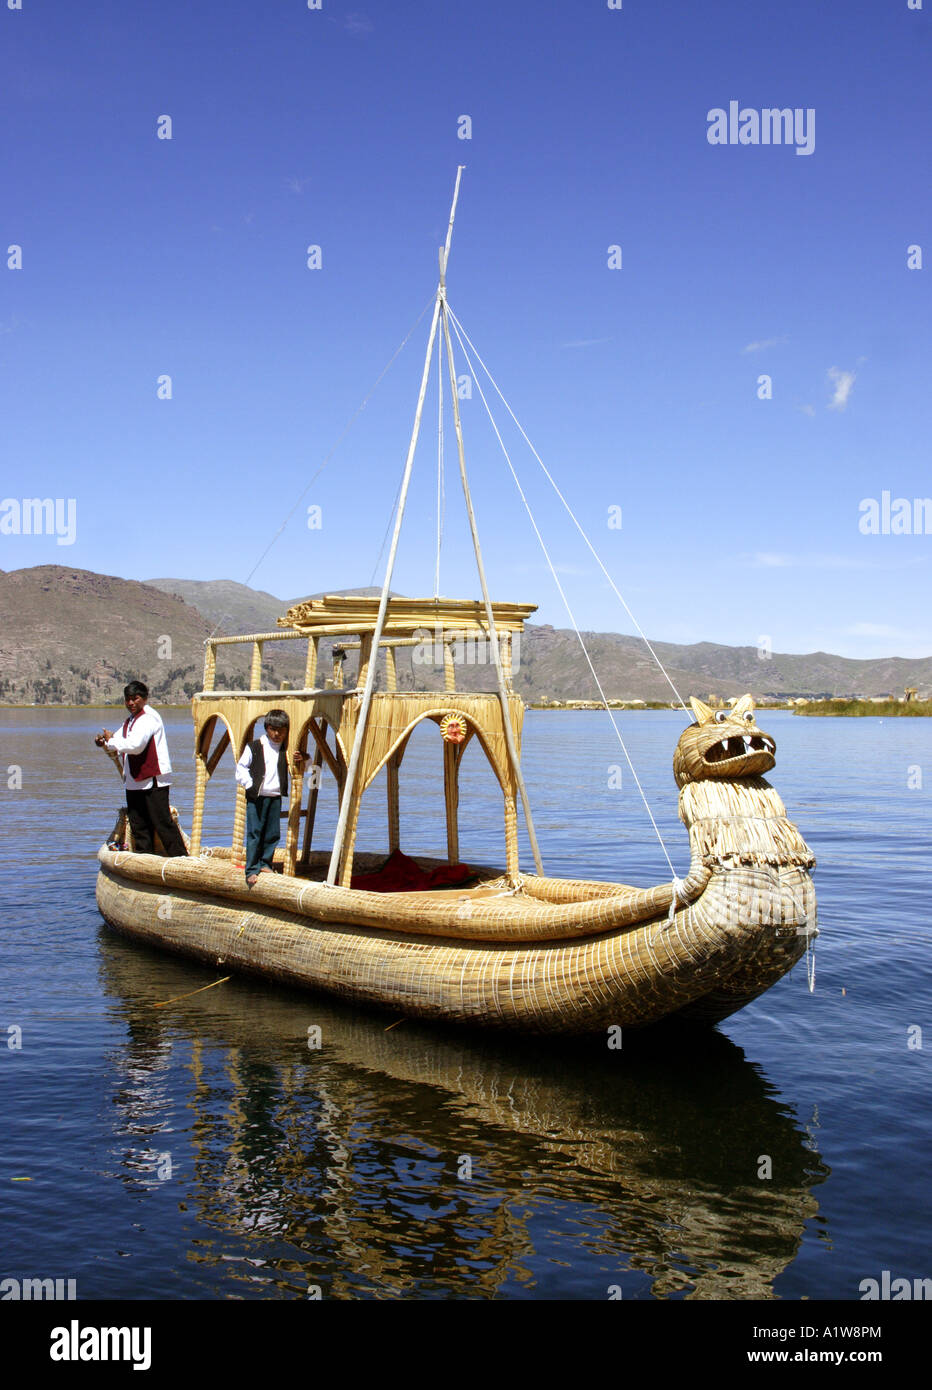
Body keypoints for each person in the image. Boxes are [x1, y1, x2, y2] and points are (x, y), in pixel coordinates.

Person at [96, 681, 188, 857]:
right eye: (127, 700)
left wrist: (112, 742)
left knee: (161, 821)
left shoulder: (148, 718)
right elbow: (119, 738)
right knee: (139, 823)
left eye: (135, 699)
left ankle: (180, 859)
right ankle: (145, 859)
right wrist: (105, 740)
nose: (130, 703)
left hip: (152, 778)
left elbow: (136, 745)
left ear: (144, 698)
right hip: (134, 779)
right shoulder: (130, 720)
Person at [235, 709, 307, 886]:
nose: (277, 734)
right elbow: (241, 768)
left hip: (275, 796)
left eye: (281, 731)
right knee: (255, 833)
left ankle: (265, 863)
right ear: (267, 728)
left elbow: (309, 764)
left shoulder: (285, 749)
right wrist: (250, 784)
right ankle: (251, 869)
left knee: (273, 833)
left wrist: (304, 757)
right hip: (257, 795)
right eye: (273, 730)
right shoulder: (255, 747)